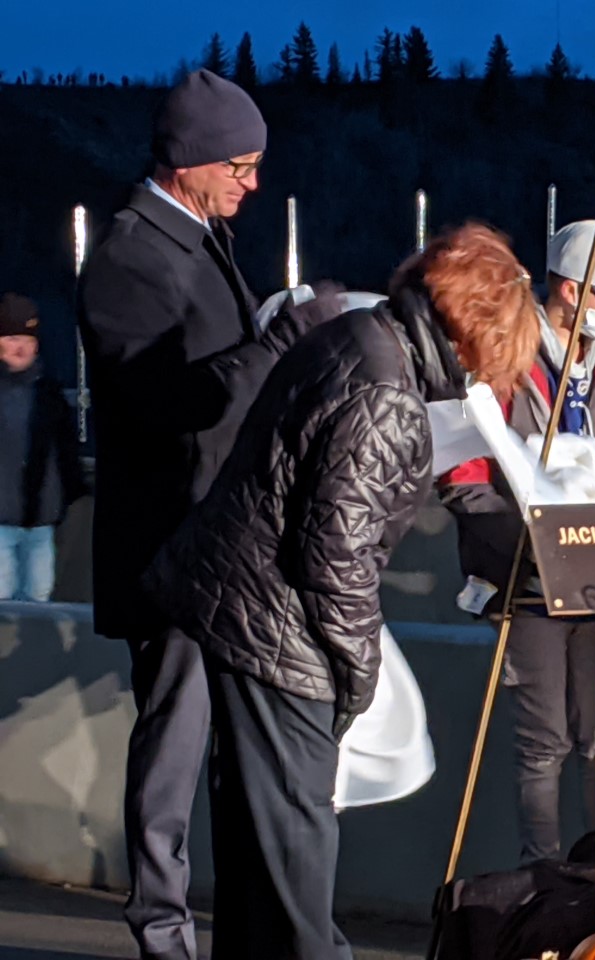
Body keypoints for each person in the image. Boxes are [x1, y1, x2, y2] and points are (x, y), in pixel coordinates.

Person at [143, 224, 542, 958]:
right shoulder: (389, 396)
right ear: (476, 333)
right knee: (297, 851)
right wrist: (358, 675)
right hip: (276, 634)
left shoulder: (361, 333)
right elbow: (336, 558)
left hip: (235, 606)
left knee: (257, 853)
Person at [75, 69, 327, 960]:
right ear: (188, 162)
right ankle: (164, 933)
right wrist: (278, 343)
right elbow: (168, 404)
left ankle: (236, 932)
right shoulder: (129, 257)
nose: (251, 184)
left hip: (218, 546)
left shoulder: (189, 236)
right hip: (172, 552)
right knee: (175, 750)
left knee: (226, 752)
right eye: (241, 165)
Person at [440, 219, 595, 863]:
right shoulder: (501, 359)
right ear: (569, 291)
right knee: (543, 740)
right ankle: (542, 878)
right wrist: (532, 543)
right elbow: (464, 475)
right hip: (526, 582)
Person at [0, 293, 86, 601]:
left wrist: (68, 494)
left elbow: (67, 452)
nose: (20, 347)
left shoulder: (50, 396)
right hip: (1, 526)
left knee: (40, 600)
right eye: (11, 337)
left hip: (41, 525)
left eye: (27, 338)